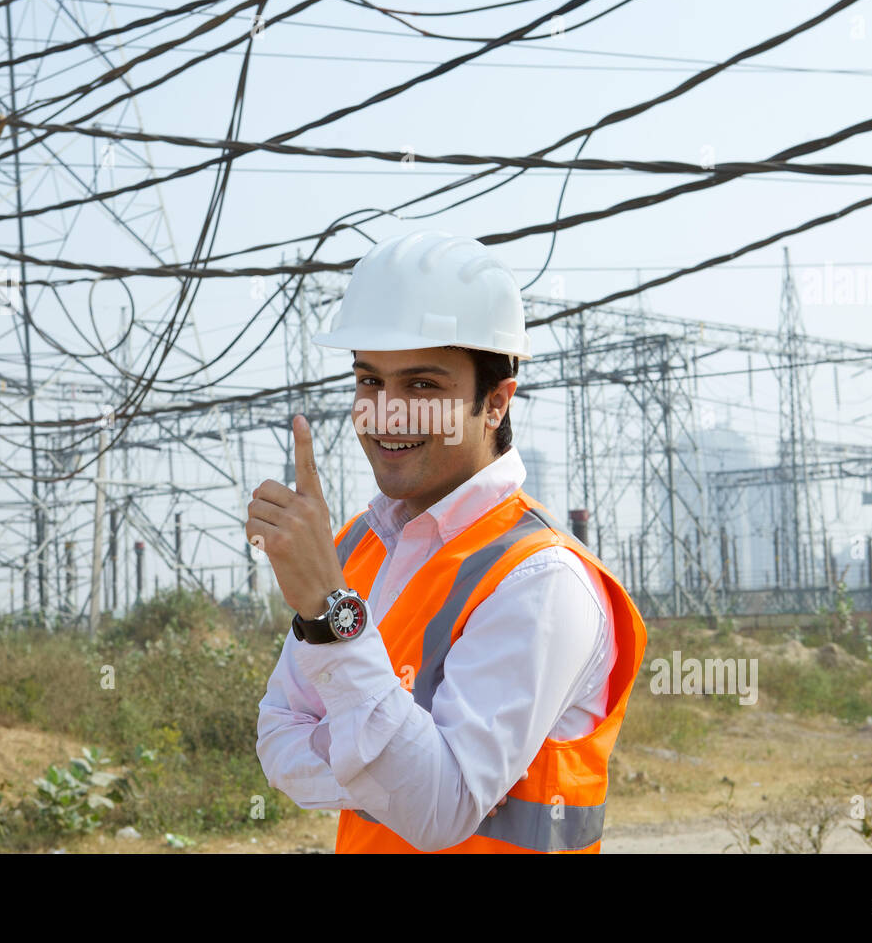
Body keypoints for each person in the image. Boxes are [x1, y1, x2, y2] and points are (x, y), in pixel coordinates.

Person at [249, 229, 647, 853]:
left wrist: (333, 613)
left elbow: (439, 809)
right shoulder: (359, 543)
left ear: (495, 403)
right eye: (369, 381)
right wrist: (394, 763)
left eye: (423, 386)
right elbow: (278, 741)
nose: (387, 412)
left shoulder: (540, 579)